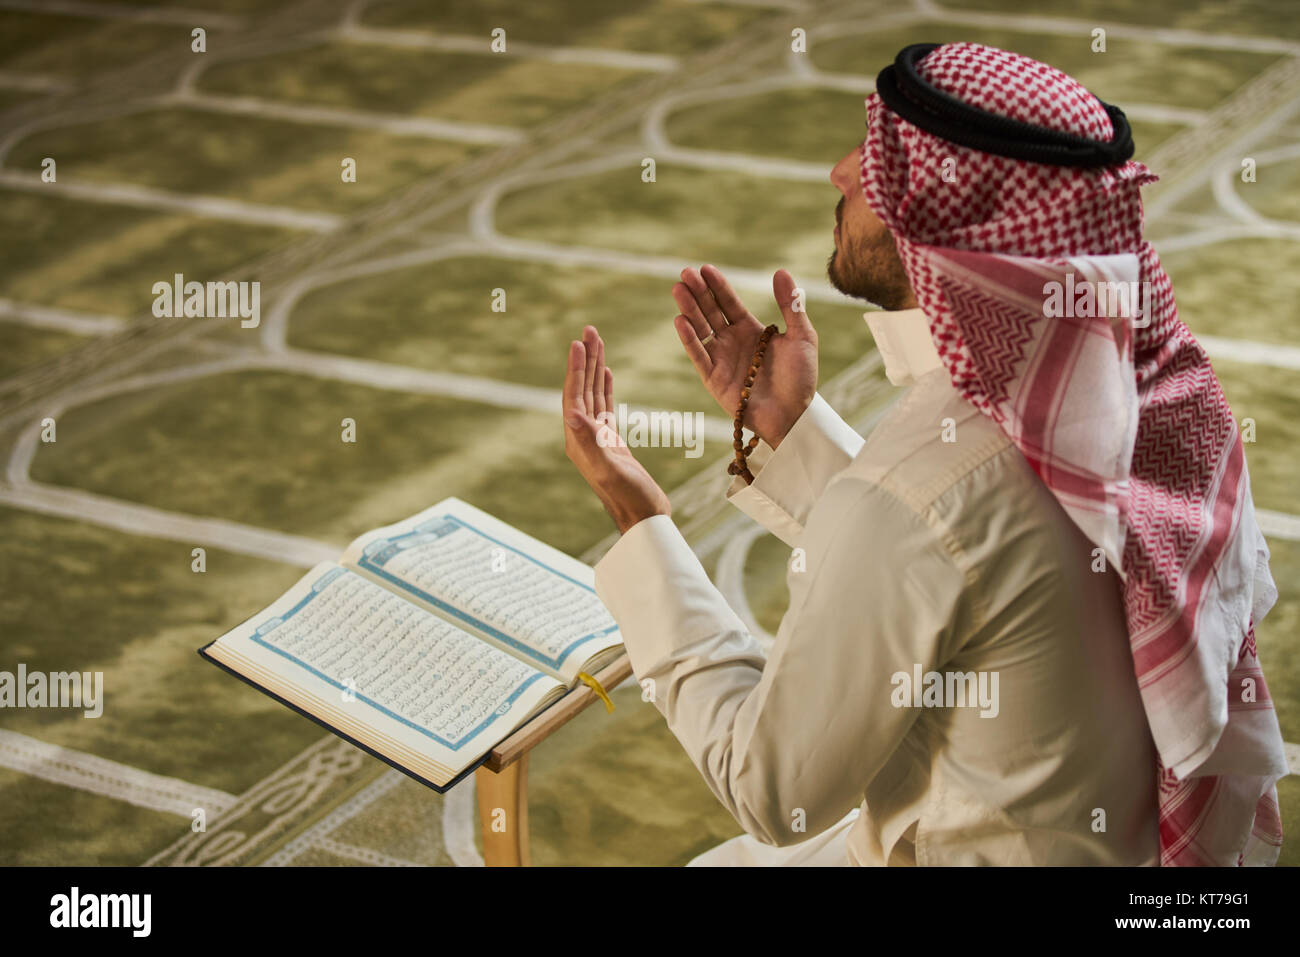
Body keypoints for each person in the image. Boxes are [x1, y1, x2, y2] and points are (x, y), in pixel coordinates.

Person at [560, 42, 1287, 865]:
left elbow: (771, 789)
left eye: (878, 161)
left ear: (949, 220)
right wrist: (793, 431)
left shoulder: (917, 489)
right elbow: (967, 557)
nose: (840, 172)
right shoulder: (1162, 393)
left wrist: (641, 519)